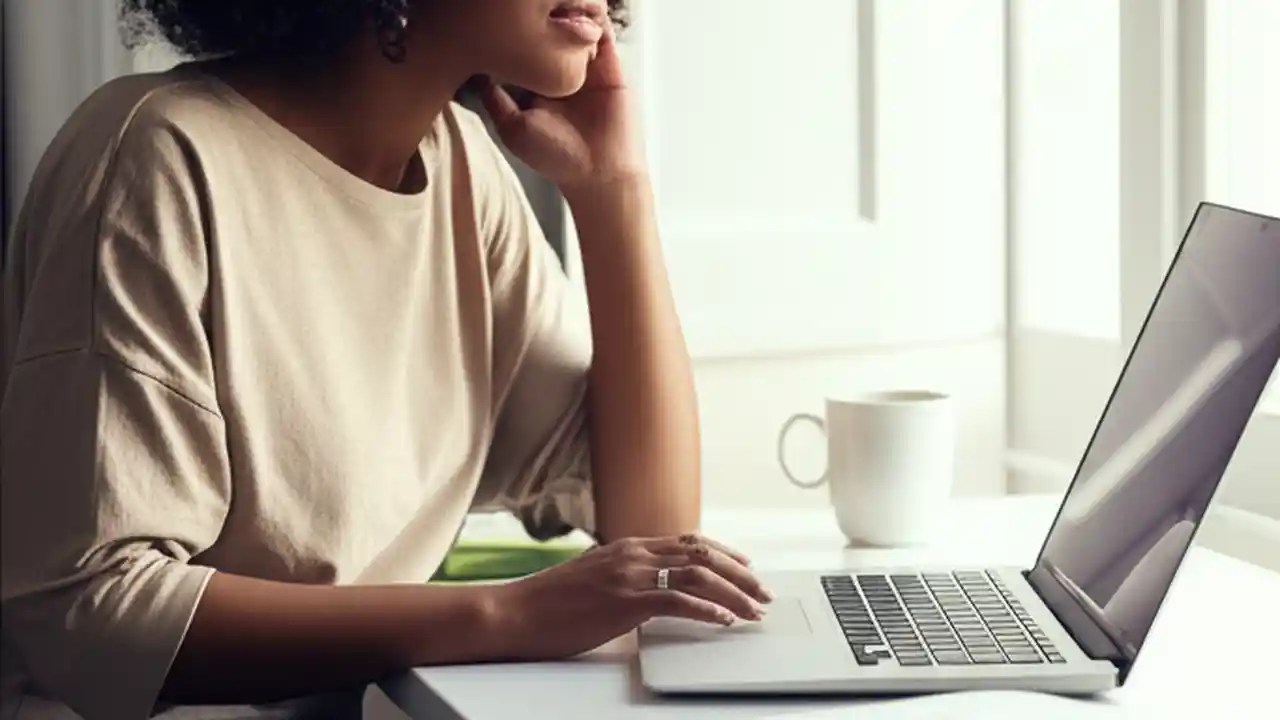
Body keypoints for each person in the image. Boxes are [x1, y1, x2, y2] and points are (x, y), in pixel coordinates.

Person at [0, 1, 773, 717]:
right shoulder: (156, 157)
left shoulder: (461, 167)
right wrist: (510, 613)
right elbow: (89, 618)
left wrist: (614, 193)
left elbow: (653, 532)